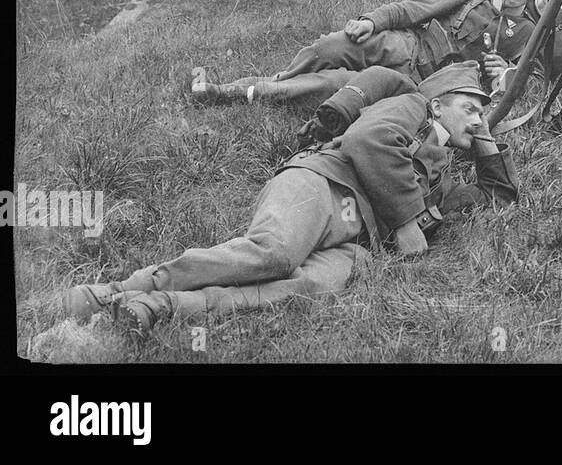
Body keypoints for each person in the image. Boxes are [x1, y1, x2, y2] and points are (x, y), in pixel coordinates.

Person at [63, 61, 516, 335]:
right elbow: (366, 141)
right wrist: (405, 221)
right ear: (438, 104)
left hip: (356, 242)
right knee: (273, 256)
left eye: (482, 113)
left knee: (302, 288)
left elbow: (497, 195)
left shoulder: (444, 177)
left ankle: (162, 308)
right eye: (470, 109)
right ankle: (117, 292)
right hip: (319, 185)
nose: (477, 119)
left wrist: (486, 138)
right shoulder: (411, 107)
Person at [191, 0, 562, 106]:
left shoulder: (529, 34)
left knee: (336, 84)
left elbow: (530, 85)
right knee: (331, 46)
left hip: (420, 80)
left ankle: (235, 93)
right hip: (404, 44)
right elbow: (413, 8)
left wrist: (503, 73)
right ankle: (277, 78)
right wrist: (372, 21)